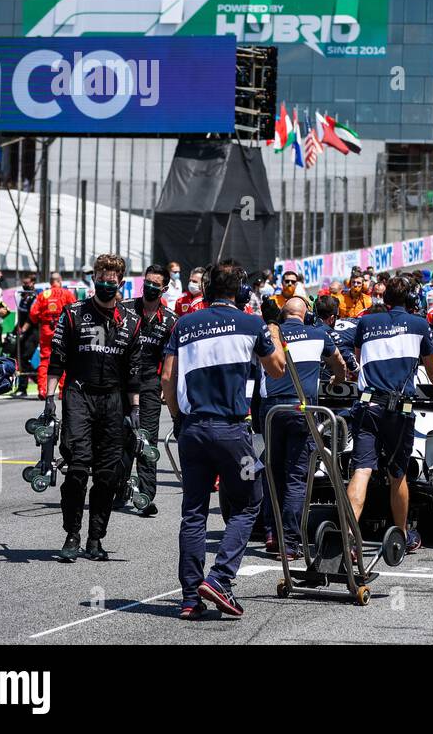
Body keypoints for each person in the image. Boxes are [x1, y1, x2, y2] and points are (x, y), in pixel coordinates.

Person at [163, 259, 285, 619]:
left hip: (192, 429)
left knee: (194, 511)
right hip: (232, 431)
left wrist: (177, 418)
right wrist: (272, 325)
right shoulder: (251, 322)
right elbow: (277, 368)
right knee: (250, 502)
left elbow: (167, 378)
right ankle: (220, 576)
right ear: (241, 291)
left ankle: (189, 597)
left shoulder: (184, 323)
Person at [47, 254, 142, 562]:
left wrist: (136, 412)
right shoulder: (73, 313)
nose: (105, 285)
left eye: (111, 281)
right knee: (76, 470)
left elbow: (134, 372)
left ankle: (95, 538)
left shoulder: (131, 321)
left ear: (121, 284)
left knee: (107, 475)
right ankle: (72, 534)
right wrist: (50, 401)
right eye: (100, 279)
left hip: (113, 401)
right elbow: (56, 359)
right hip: (78, 395)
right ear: (94, 280)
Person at [347, 276, 433, 555]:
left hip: (367, 405)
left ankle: (349, 535)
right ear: (412, 300)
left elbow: (358, 357)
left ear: (385, 299)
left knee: (362, 470)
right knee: (397, 475)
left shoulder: (365, 322)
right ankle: (401, 533)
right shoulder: (419, 324)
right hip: (399, 410)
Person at [259, 294, 344, 558]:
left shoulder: (267, 332)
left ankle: (272, 533)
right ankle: (290, 543)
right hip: (301, 409)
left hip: (271, 410)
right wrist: (335, 380)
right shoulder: (319, 334)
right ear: (306, 314)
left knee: (272, 471)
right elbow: (339, 363)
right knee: (296, 476)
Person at [121, 265, 177, 517]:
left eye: (156, 284)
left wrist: (168, 386)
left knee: (146, 440)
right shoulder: (124, 309)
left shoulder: (171, 320)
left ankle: (145, 496)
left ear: (164, 288)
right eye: (148, 282)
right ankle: (116, 490)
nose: (151, 287)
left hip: (150, 385)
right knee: (120, 440)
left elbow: (172, 357)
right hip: (121, 383)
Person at [29, 272, 76, 400]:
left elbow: (33, 314)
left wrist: (41, 318)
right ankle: (62, 391)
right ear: (60, 281)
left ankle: (43, 389)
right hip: (62, 329)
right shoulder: (66, 294)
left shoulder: (43, 295)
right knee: (64, 359)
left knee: (45, 359)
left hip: (46, 329)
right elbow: (75, 311)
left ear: (50, 282)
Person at [12, 272, 39, 397]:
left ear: (33, 283)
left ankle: (39, 379)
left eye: (27, 283)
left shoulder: (36, 297)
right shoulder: (23, 296)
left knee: (24, 358)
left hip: (33, 332)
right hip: (22, 330)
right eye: (23, 283)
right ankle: (23, 387)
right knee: (18, 358)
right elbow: (20, 314)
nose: (24, 285)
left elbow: (32, 317)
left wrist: (23, 329)